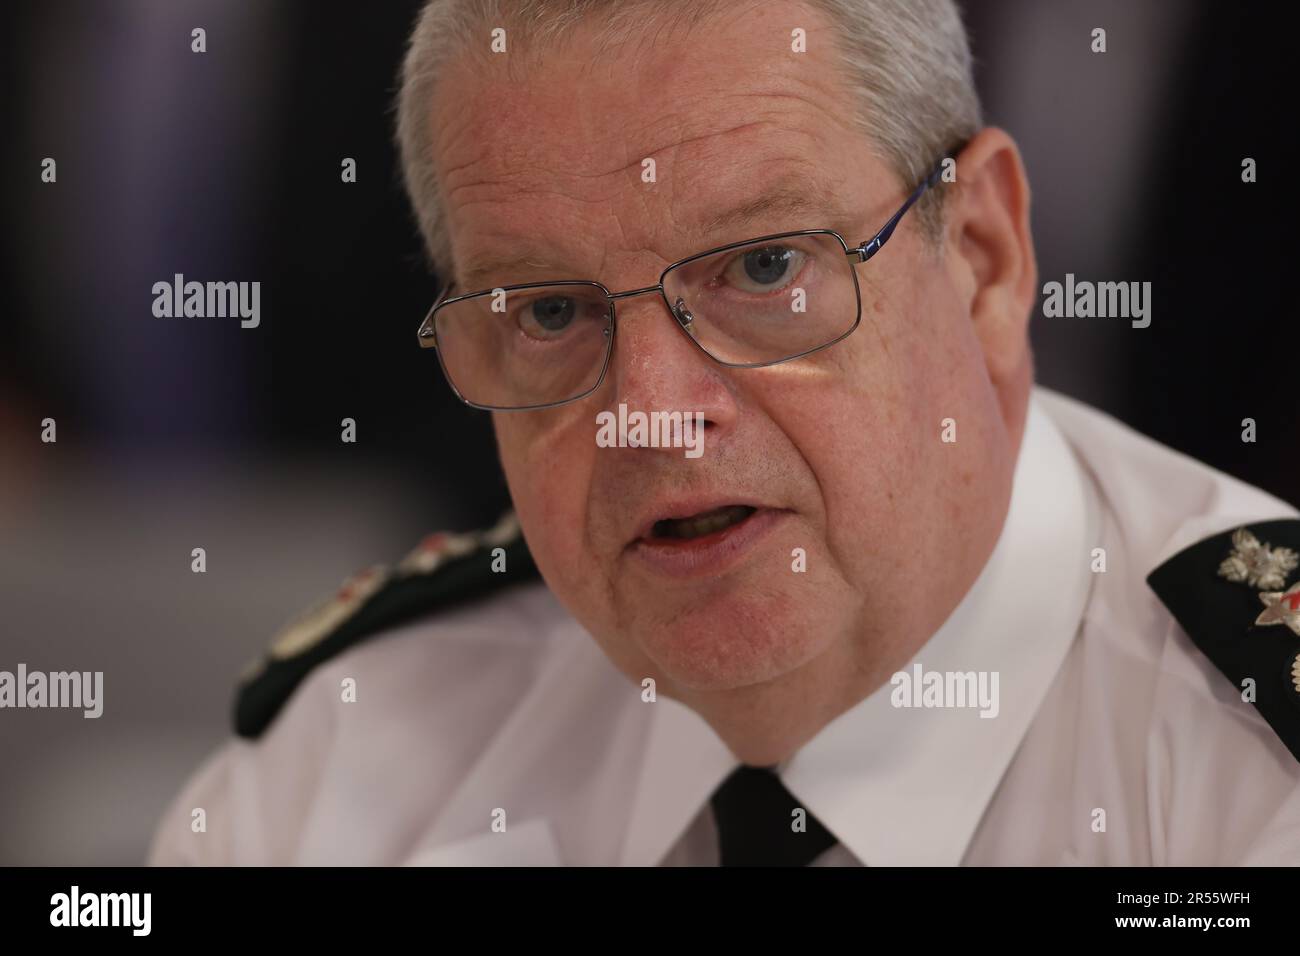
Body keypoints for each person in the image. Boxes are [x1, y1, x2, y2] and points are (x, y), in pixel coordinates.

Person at [149, 0, 1300, 866]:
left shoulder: (1249, 781)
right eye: (549, 312)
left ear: (985, 260)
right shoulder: (342, 769)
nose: (650, 410)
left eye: (764, 266)